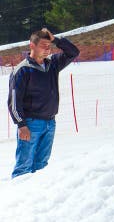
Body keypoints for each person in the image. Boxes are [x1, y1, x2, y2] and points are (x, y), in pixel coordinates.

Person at [7, 28, 80, 178]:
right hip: (30, 124)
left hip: (50, 123)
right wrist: (21, 125)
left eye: (49, 46)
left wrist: (56, 40)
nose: (47, 49)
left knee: (41, 165)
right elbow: (14, 101)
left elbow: (73, 52)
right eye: (43, 45)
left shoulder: (53, 63)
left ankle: (38, 198)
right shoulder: (22, 70)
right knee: (24, 166)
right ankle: (20, 198)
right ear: (32, 46)